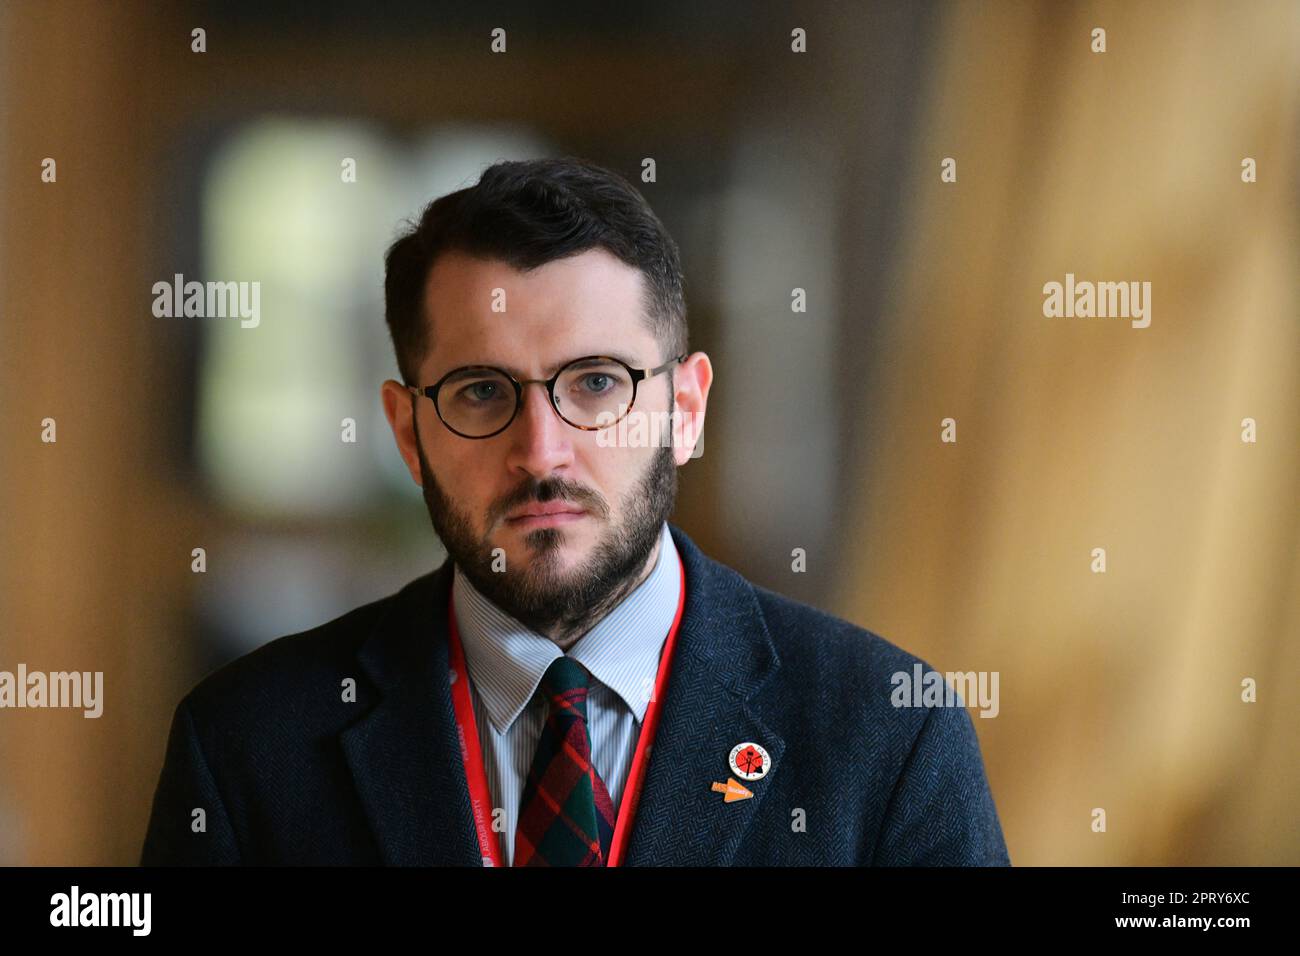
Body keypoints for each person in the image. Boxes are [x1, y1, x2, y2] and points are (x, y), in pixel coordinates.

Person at [140, 157, 1010, 866]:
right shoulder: (249, 749)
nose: (542, 451)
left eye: (597, 383)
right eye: (482, 392)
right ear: (408, 434)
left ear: (688, 411)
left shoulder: (890, 739)